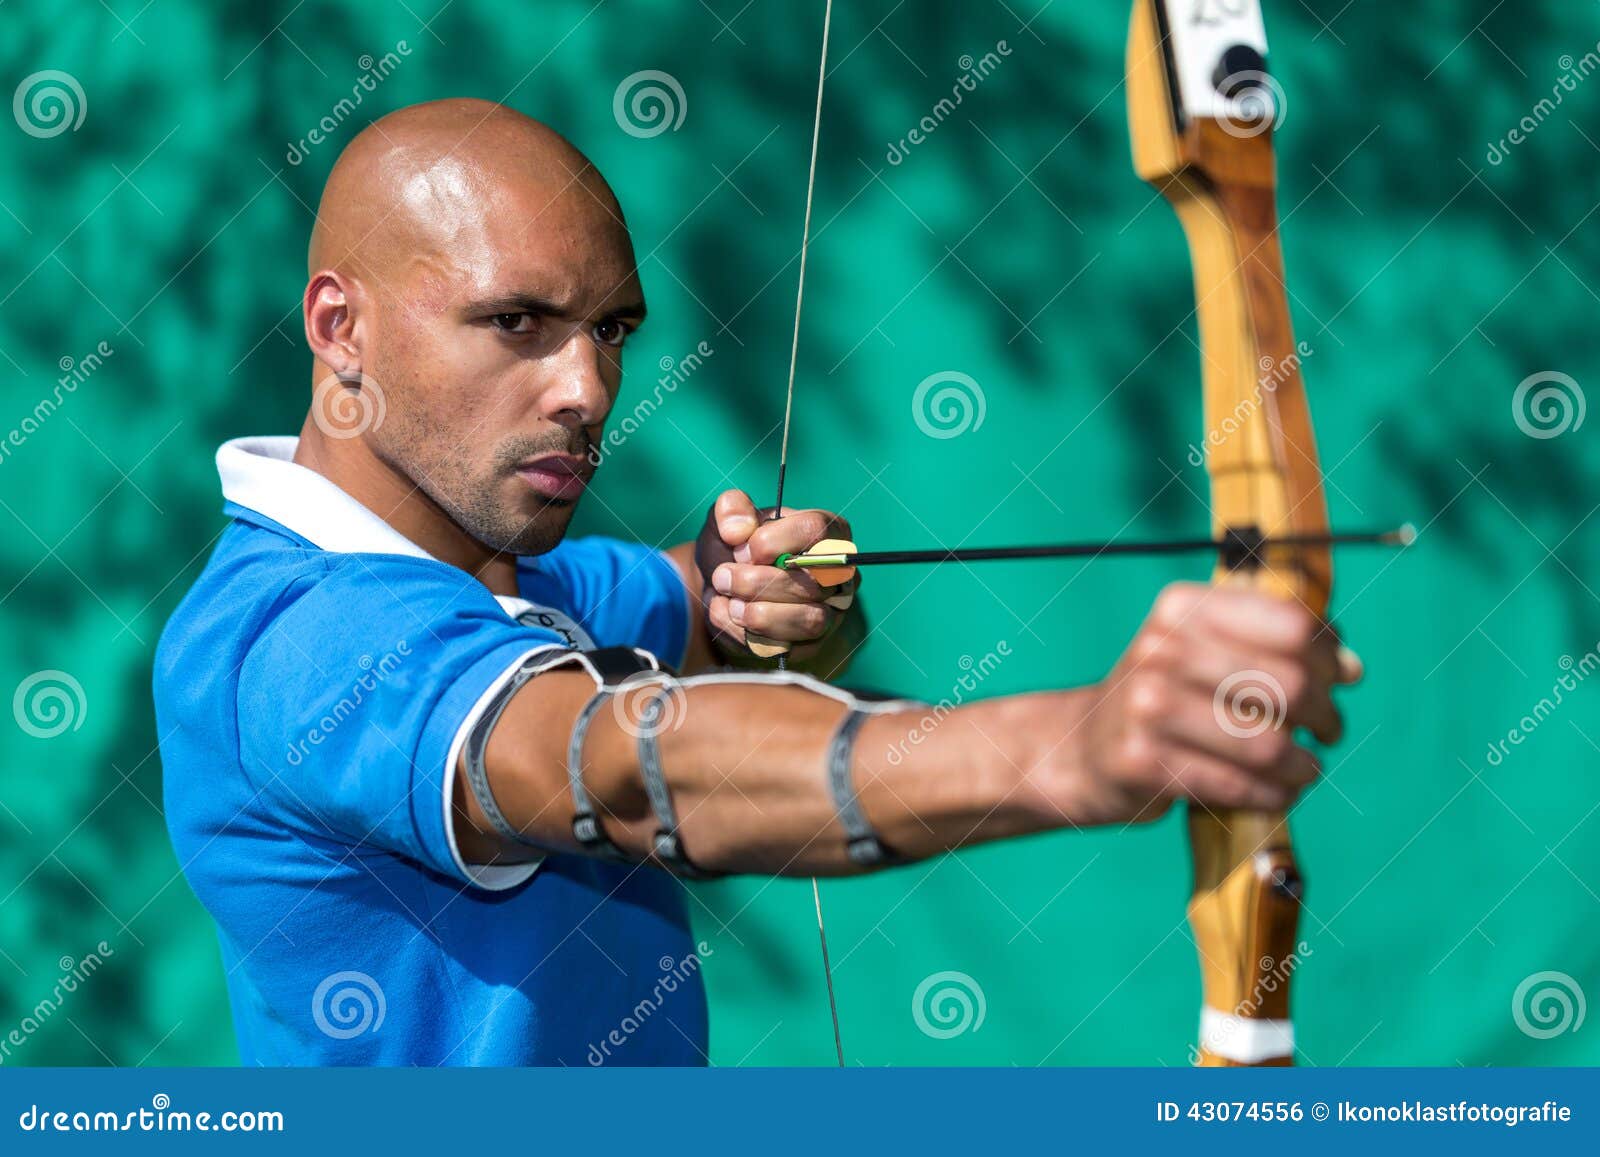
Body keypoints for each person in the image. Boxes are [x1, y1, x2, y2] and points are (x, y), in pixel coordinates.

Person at [154, 98, 1358, 1066]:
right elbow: (620, 766)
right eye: (516, 321)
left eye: (611, 330)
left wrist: (772, 601)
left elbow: (699, 617)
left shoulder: (511, 582)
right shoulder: (293, 641)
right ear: (339, 328)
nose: (585, 388)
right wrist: (1074, 747)